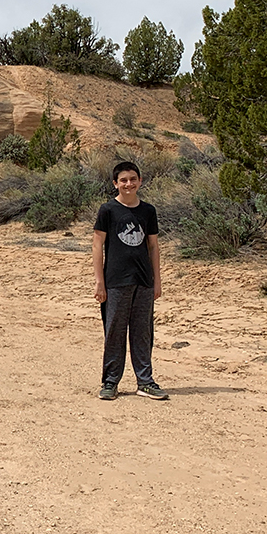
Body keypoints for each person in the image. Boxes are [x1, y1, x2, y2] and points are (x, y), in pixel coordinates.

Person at [92, 160, 168, 401]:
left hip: (143, 281)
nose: (128, 184)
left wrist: (157, 280)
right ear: (115, 183)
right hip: (115, 281)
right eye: (123, 180)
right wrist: (99, 281)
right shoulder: (108, 210)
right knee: (114, 331)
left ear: (140, 181)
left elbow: (153, 245)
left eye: (133, 179)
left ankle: (145, 382)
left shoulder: (148, 211)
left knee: (142, 332)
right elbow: (97, 245)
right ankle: (110, 382)